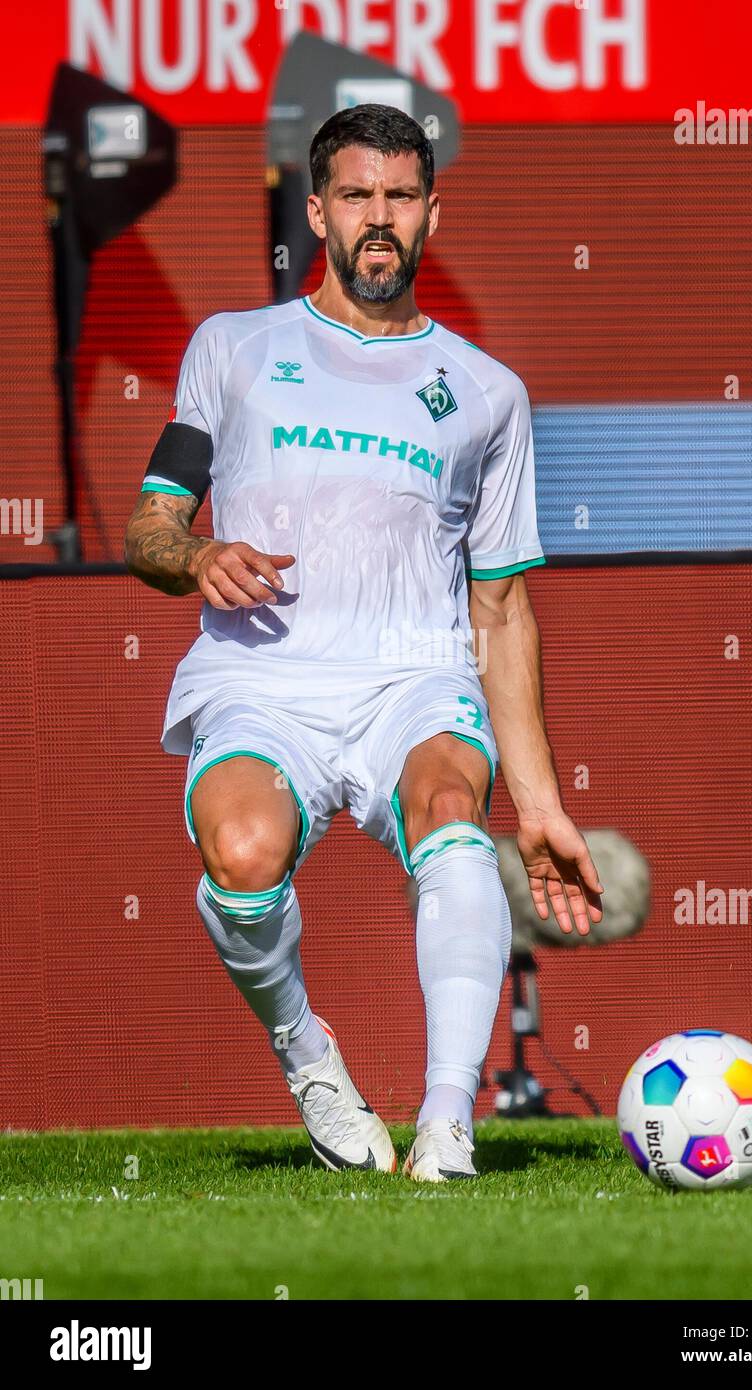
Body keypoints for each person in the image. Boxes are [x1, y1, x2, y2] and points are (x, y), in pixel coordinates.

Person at [124, 103, 603, 1182]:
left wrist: (540, 807)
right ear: (317, 211)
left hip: (412, 680)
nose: (376, 220)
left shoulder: (487, 394)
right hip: (260, 677)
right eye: (355, 196)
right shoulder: (234, 349)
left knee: (450, 822)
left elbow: (501, 611)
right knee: (241, 856)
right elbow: (148, 521)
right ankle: (308, 1057)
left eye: (397, 196)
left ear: (431, 211)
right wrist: (194, 555)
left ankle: (445, 1125)